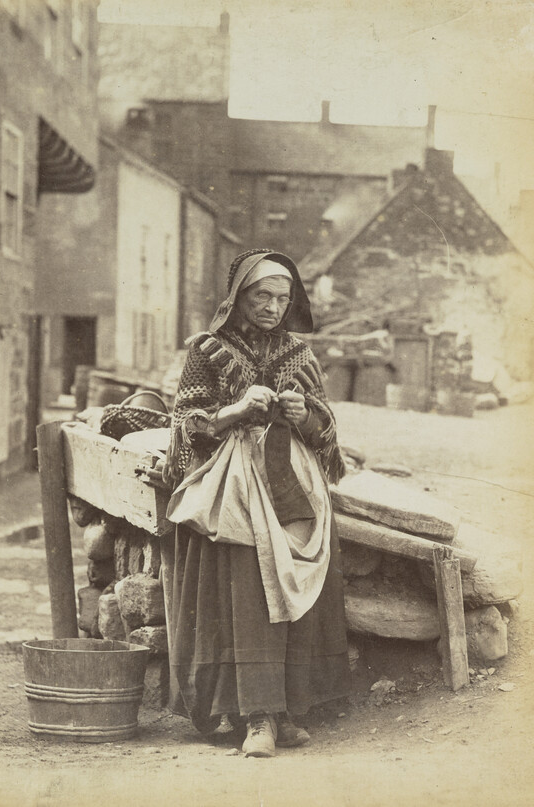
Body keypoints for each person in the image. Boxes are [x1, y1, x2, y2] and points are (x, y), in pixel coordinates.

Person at [163, 248, 351, 758]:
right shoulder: (209, 350)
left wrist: (304, 413)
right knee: (248, 590)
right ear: (238, 297)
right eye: (262, 295)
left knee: (300, 587)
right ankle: (256, 717)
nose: (272, 306)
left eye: (282, 297)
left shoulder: (300, 354)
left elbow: (328, 435)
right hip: (236, 486)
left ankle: (287, 710)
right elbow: (183, 427)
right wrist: (235, 411)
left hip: (291, 480)